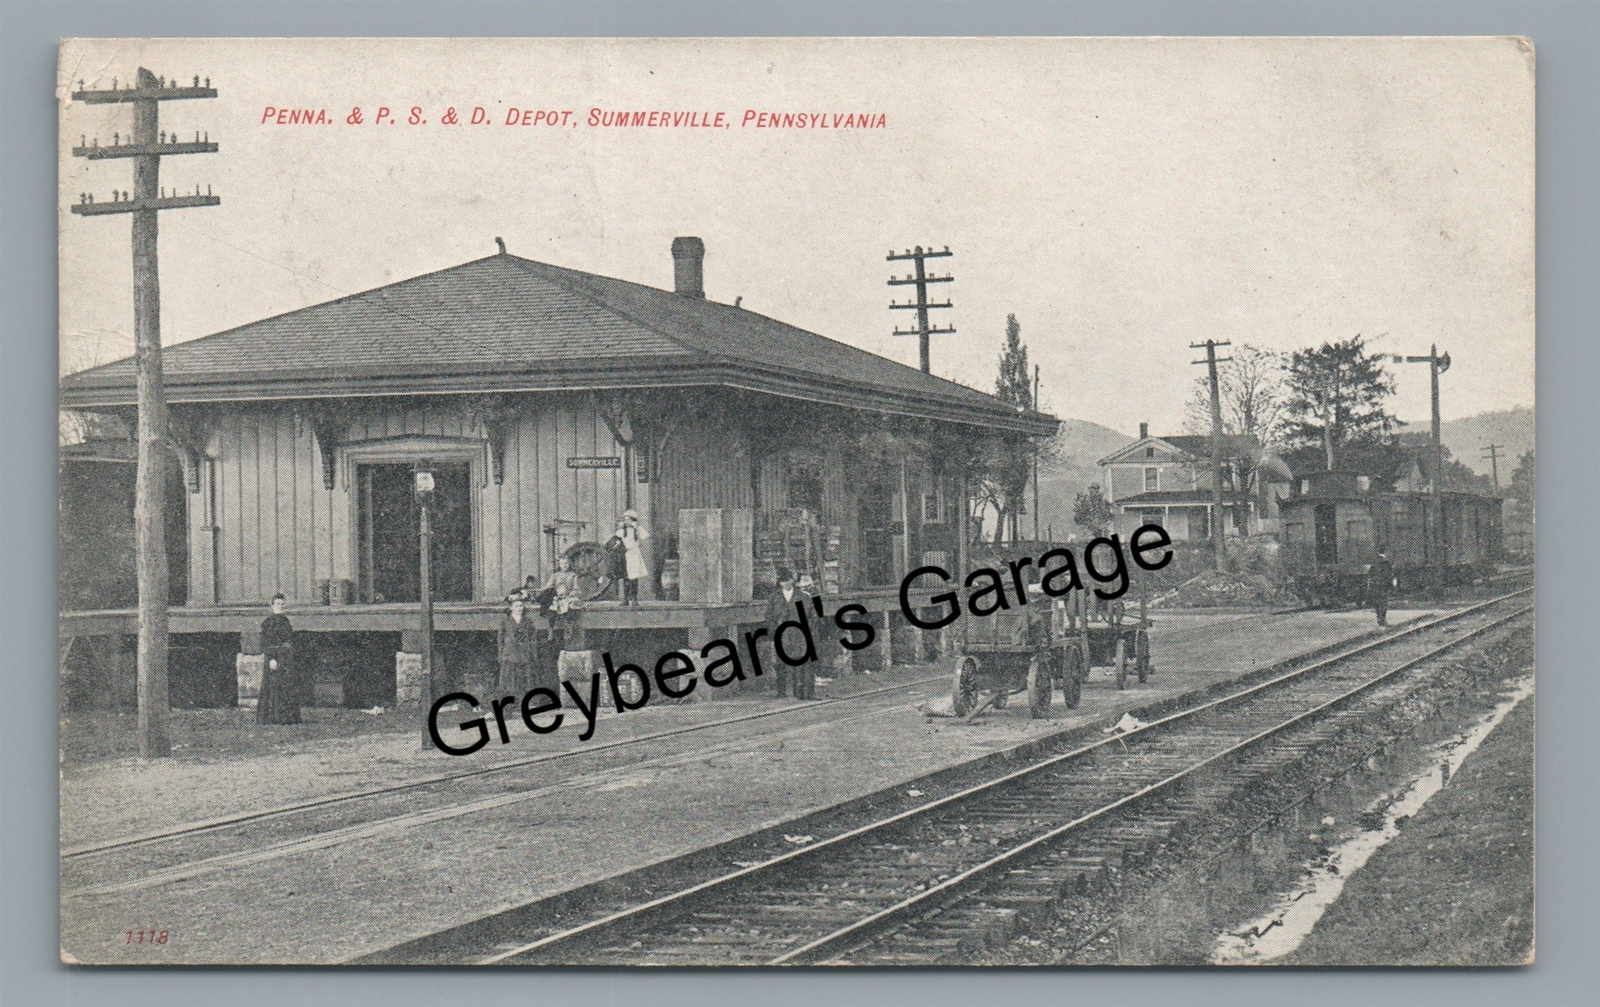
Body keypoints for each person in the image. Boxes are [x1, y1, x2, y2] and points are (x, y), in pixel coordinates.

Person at [763, 567, 816, 699]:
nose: (785, 584)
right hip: (782, 635)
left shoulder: (803, 596)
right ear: (779, 583)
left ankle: (801, 692)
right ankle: (781, 692)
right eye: (782, 581)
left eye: (788, 581)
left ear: (792, 581)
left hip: (800, 634)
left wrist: (809, 631)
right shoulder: (774, 598)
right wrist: (774, 629)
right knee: (780, 663)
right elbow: (769, 616)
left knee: (801, 662)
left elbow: (812, 616)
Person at [257, 593, 301, 724]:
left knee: (286, 685)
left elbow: (289, 639)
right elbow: (265, 643)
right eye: (277, 604)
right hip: (274, 659)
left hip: (286, 658)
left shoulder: (285, 621)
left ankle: (287, 717)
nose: (280, 606)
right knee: (274, 686)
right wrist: (271, 659)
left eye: (282, 604)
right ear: (272, 606)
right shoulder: (268, 623)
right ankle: (273, 717)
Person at [498, 593, 542, 694]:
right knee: (510, 681)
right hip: (510, 654)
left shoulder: (528, 621)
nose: (519, 608)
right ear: (511, 608)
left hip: (524, 654)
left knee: (526, 680)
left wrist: (533, 654)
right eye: (516, 606)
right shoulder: (505, 621)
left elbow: (533, 638)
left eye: (521, 606)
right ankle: (512, 702)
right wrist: (501, 654)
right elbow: (500, 639)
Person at [607, 509, 651, 606]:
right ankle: (626, 599)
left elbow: (646, 536)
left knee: (634, 577)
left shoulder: (637, 530)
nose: (627, 522)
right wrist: (618, 543)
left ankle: (634, 599)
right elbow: (612, 541)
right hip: (624, 555)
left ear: (633, 520)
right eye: (625, 519)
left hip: (634, 555)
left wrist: (637, 528)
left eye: (629, 520)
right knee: (626, 577)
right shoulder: (621, 531)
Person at [1367, 551, 1397, 626]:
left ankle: (1379, 618)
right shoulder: (1387, 564)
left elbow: (1369, 576)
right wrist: (1392, 587)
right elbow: (1390, 576)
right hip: (1383, 586)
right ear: (1384, 555)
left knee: (1377, 603)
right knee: (1383, 603)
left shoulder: (1374, 564)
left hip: (1374, 586)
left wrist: (1370, 586)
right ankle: (1382, 619)